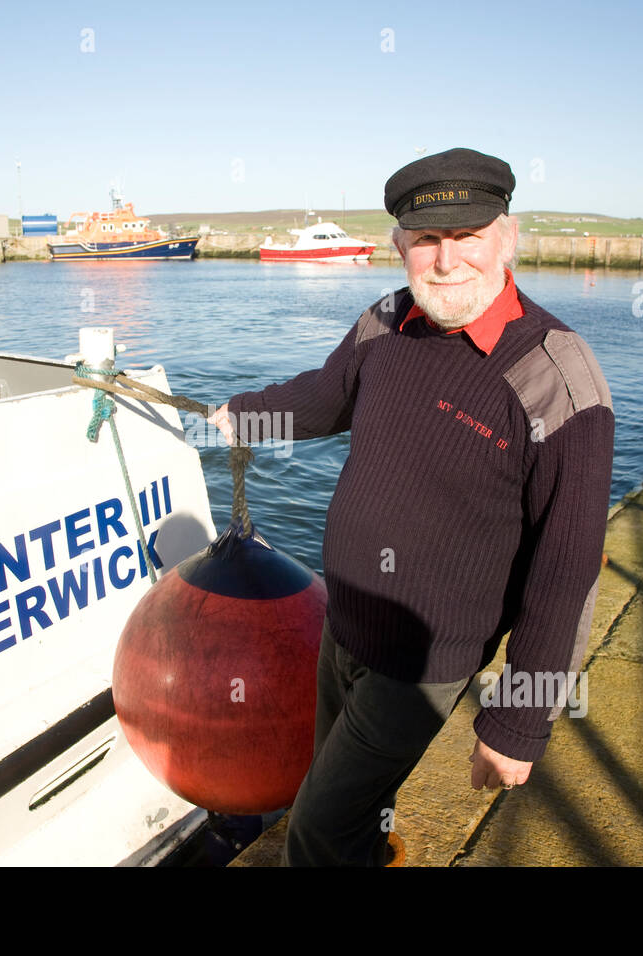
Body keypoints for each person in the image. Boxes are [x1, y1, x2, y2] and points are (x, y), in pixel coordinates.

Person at [208, 147, 614, 866]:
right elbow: (323, 396)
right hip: (344, 629)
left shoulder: (557, 375)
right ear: (399, 246)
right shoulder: (386, 322)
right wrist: (245, 415)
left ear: (507, 238)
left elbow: (566, 563)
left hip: (424, 666)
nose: (447, 259)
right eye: (427, 240)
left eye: (468, 236)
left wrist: (520, 721)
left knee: (316, 831)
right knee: (347, 805)